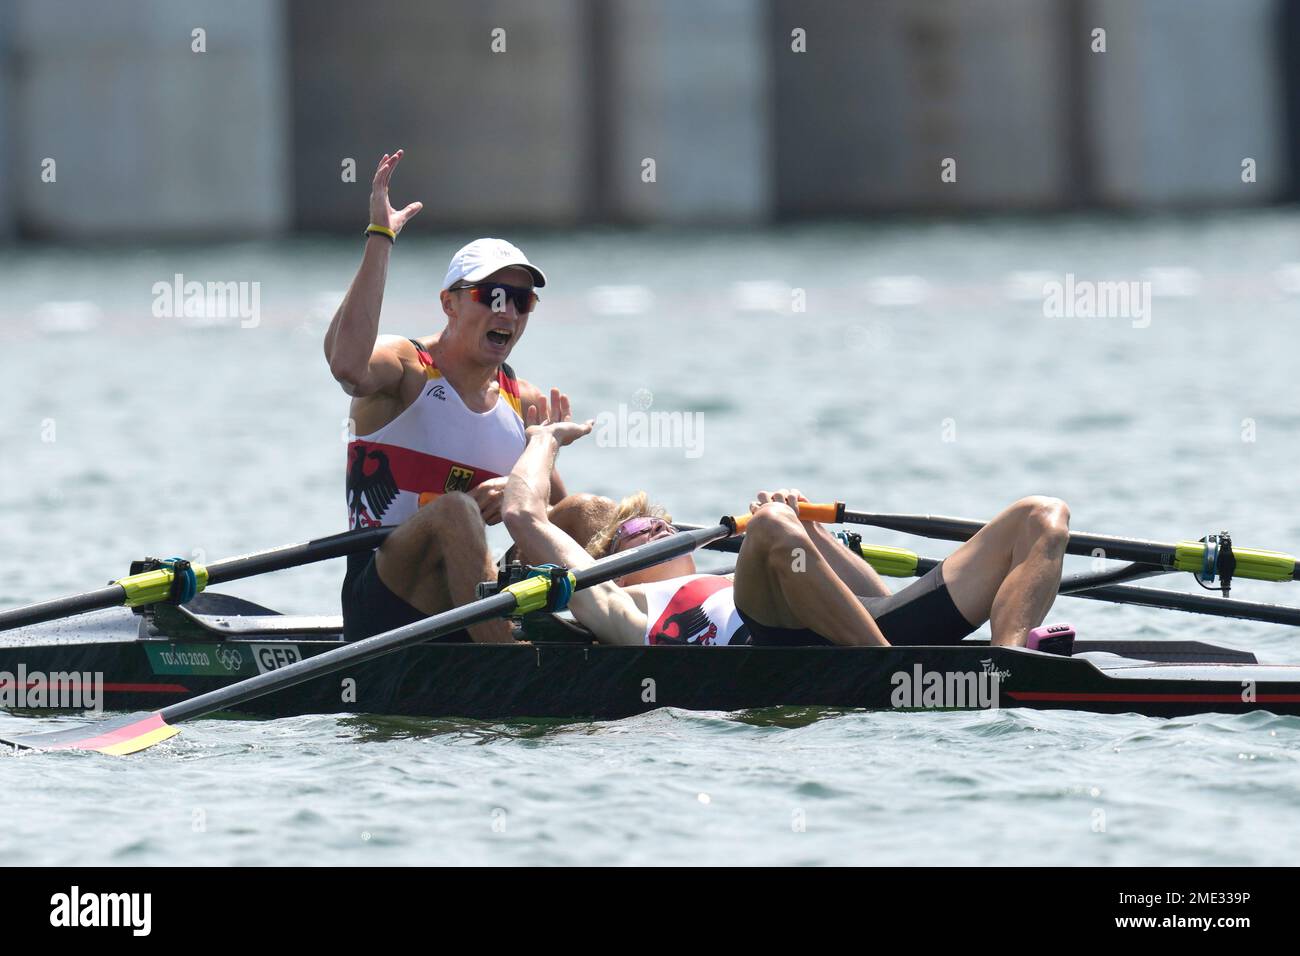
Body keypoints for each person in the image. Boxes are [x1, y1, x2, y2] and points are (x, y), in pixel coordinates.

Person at [503, 392, 1071, 648]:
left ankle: (1010, 660)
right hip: (771, 643)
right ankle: (884, 671)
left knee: (1041, 516)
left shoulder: (726, 579)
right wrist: (543, 440)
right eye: (632, 531)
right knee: (771, 524)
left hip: (862, 630)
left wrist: (816, 539)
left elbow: (877, 599)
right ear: (610, 567)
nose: (654, 529)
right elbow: (523, 516)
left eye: (661, 524)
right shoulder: (619, 607)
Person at [324, 149, 565, 642]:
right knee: (457, 512)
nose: (508, 313)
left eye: (521, 301)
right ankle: (509, 671)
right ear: (449, 303)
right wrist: (380, 238)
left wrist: (536, 467)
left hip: (462, 602)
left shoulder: (526, 402)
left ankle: (641, 639)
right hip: (383, 604)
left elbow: (558, 523)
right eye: (492, 296)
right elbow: (347, 364)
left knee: (589, 512)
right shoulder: (407, 369)